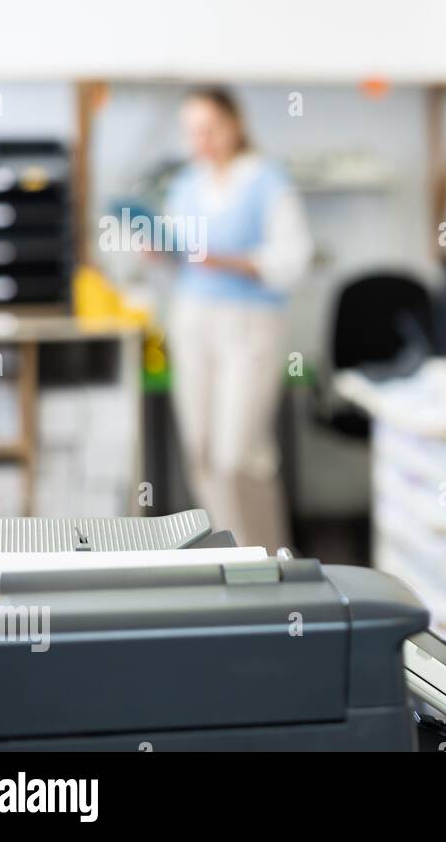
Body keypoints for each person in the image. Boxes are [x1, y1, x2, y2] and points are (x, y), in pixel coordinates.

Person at [163, 86, 313, 553]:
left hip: (250, 324)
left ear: (235, 125)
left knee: (237, 455)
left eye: (209, 129)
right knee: (203, 453)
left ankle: (267, 565)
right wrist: (159, 252)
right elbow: (179, 252)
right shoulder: (186, 184)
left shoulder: (268, 181)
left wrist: (226, 262)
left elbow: (292, 260)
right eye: (192, 131)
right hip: (193, 320)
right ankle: (229, 558)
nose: (200, 140)